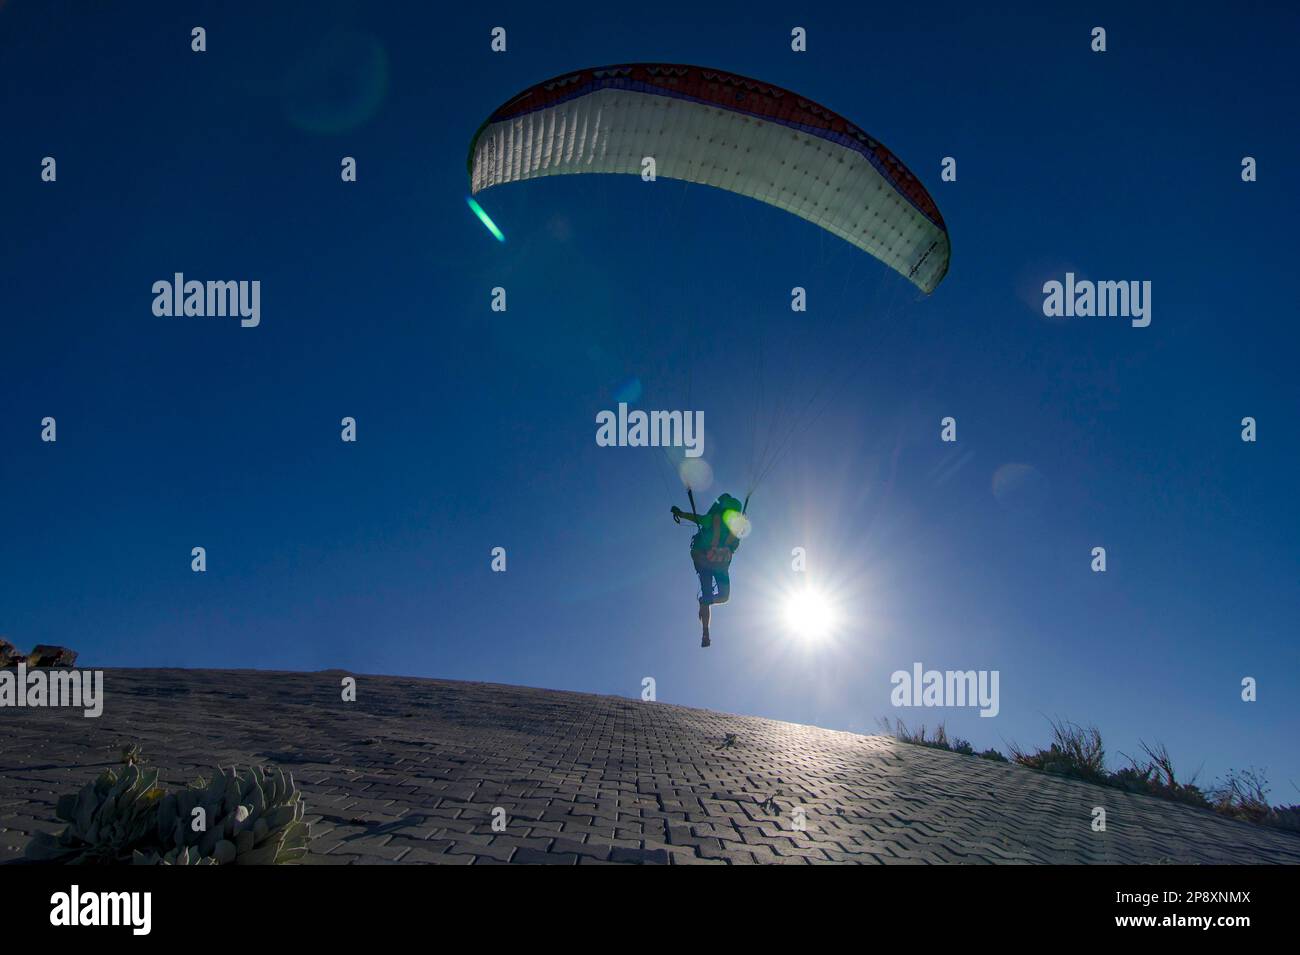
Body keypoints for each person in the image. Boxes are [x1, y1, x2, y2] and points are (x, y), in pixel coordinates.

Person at [671, 492, 746, 647]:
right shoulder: (714, 521)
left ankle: (705, 603)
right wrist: (681, 514)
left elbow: (696, 518)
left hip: (714, 563)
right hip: (705, 560)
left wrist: (681, 514)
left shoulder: (732, 532)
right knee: (715, 595)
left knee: (723, 597)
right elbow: (696, 518)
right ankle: (705, 631)